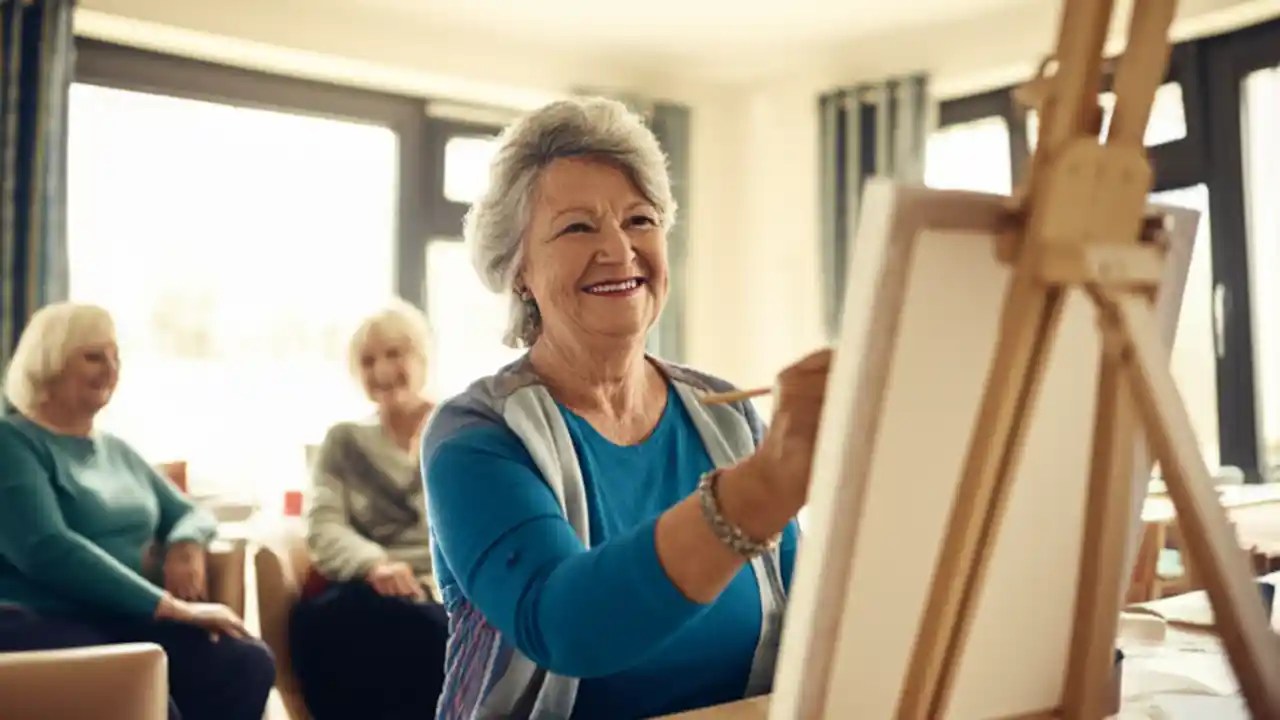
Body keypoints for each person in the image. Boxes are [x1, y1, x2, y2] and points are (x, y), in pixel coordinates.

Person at [421, 96, 831, 720]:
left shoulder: (729, 417)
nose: (619, 250)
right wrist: (755, 494)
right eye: (578, 227)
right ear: (519, 271)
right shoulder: (475, 437)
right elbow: (564, 626)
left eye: (640, 220)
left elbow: (809, 624)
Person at [0, 302, 275, 720]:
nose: (110, 369)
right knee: (142, 691)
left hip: (121, 616)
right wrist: (173, 606)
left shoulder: (116, 450)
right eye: (94, 356)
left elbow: (190, 512)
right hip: (39, 618)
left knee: (246, 661)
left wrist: (185, 542)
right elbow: (47, 547)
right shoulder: (12, 443)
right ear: (48, 363)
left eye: (115, 357)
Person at [290, 299, 449, 719]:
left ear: (421, 357)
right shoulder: (343, 441)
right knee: (320, 626)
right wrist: (374, 564)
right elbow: (323, 526)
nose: (381, 370)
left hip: (443, 590)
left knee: (433, 633)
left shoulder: (462, 429)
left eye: (395, 354)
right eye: (367, 361)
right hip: (369, 586)